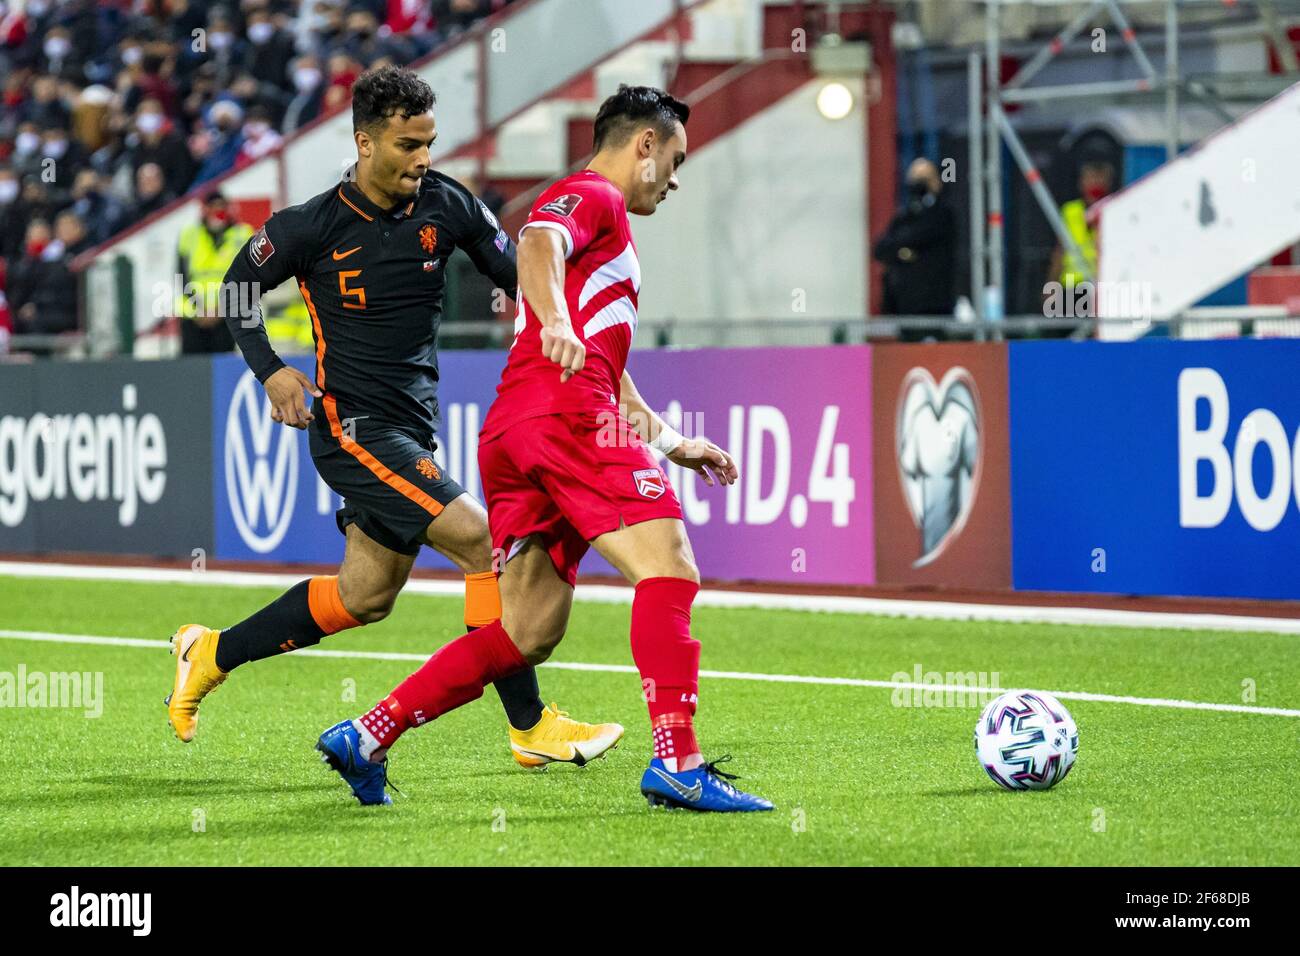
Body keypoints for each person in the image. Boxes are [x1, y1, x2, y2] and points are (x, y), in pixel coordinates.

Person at [316, 84, 774, 813]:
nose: (677, 178)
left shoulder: (606, 240)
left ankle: (367, 734)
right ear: (644, 145)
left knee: (526, 632)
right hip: (567, 418)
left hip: (518, 428)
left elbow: (608, 373)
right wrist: (555, 317)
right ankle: (678, 763)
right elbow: (535, 240)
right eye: (675, 158)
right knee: (671, 570)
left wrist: (676, 442)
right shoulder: (593, 194)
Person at [166, 66, 619, 772]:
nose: (423, 159)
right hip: (352, 428)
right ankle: (530, 727)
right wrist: (272, 370)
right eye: (409, 145)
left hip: (413, 429)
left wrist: (572, 309)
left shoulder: (449, 206)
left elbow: (517, 275)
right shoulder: (311, 226)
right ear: (365, 143)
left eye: (430, 142)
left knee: (365, 596)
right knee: (479, 540)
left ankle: (210, 651)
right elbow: (236, 290)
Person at [872, 158, 955, 340]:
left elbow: (918, 236)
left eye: (923, 178)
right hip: (904, 309)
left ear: (935, 182)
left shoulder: (942, 214)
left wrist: (902, 250)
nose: (917, 183)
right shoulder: (905, 215)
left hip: (933, 310)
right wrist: (906, 251)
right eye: (914, 178)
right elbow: (880, 249)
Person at [175, 191, 252, 353]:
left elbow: (247, 278)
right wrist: (200, 309)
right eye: (212, 208)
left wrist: (220, 309)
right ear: (205, 210)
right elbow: (181, 276)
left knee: (223, 364)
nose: (217, 213)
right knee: (191, 368)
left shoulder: (243, 234)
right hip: (193, 315)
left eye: (221, 207)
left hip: (226, 315)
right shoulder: (189, 235)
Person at [1047, 159, 1114, 301]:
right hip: (1073, 286)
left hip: (1104, 286)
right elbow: (1059, 251)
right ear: (1081, 183)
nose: (1095, 184)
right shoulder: (1070, 211)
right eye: (1091, 179)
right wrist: (1052, 284)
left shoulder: (1114, 209)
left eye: (1100, 179)